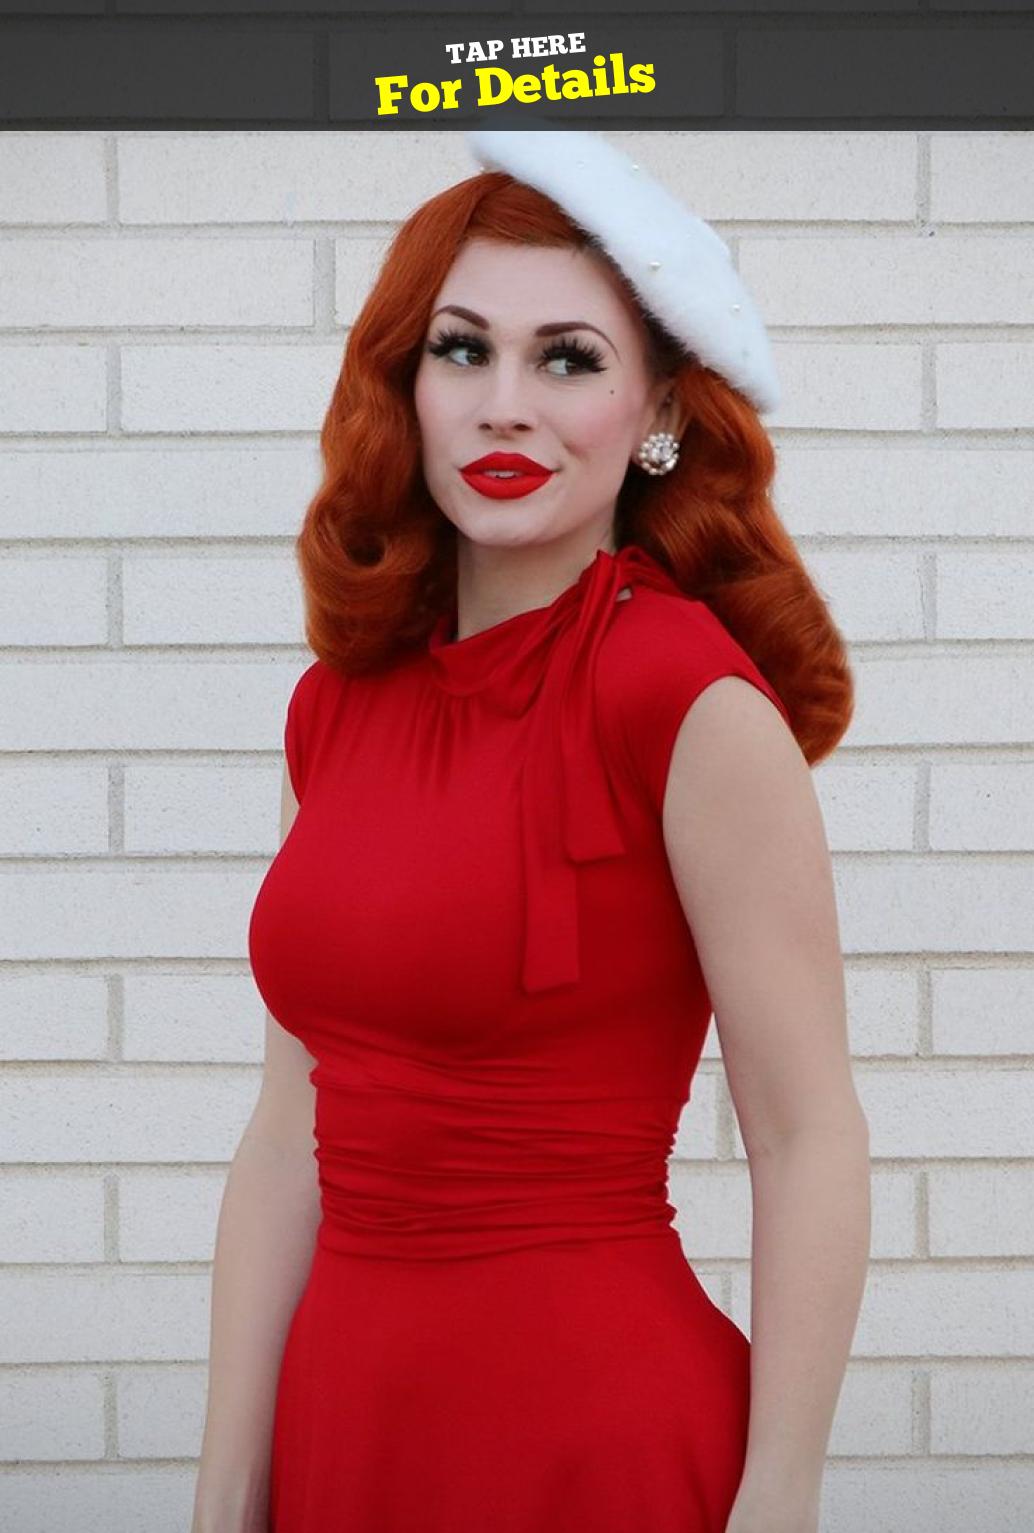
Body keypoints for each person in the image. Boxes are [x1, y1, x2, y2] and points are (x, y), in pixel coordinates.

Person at [191, 130, 870, 1533]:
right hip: (347, 1425)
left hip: (592, 1441)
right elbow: (286, 1129)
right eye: (461, 350)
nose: (507, 406)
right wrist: (224, 1485)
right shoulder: (335, 705)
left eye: (567, 357)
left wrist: (780, 1504)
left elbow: (805, 1132)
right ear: (405, 385)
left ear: (657, 407)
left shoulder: (684, 698)